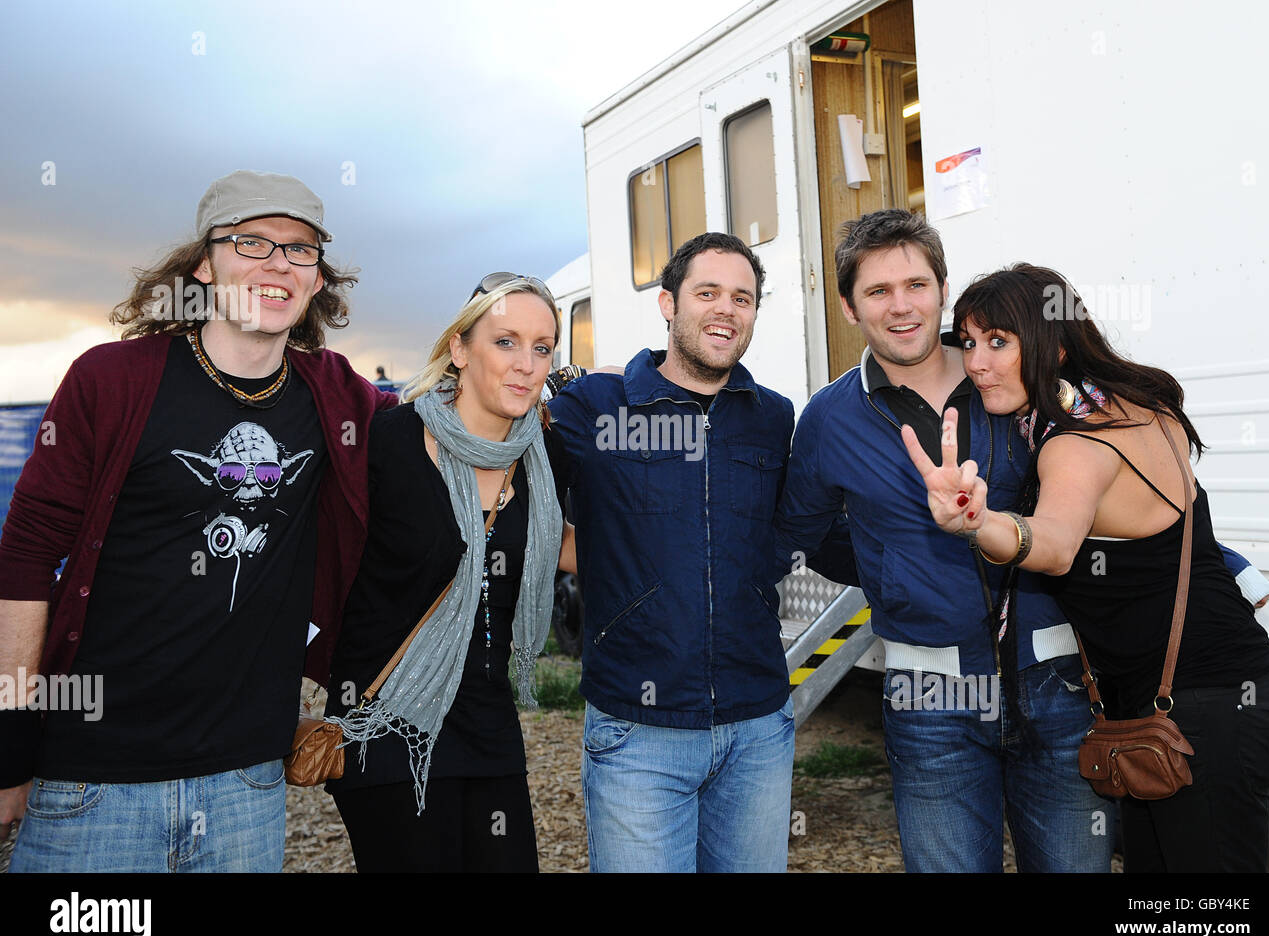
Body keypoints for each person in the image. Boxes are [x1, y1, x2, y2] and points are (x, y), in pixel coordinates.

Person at [0, 170, 395, 871]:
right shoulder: (112, 380)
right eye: (251, 242)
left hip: (246, 783)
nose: (278, 262)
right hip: (93, 781)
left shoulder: (337, 399)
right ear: (203, 267)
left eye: (301, 249)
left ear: (317, 280)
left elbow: (449, 429)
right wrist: (8, 741)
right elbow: (27, 556)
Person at [904, 263, 1269, 872]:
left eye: (999, 342)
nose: (976, 362)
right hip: (1204, 701)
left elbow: (1053, 543)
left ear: (1054, 344)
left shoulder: (1076, 444)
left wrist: (978, 522)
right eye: (969, 342)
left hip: (1200, 709)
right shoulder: (1141, 408)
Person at [775, 210, 1118, 872]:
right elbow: (805, 535)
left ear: (942, 289)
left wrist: (1225, 565)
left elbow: (1115, 473)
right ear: (849, 307)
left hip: (1055, 679)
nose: (901, 307)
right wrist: (895, 565)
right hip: (929, 695)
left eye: (917, 285)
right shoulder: (828, 419)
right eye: (877, 292)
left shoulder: (1015, 376)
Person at [546, 232, 799, 872]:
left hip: (758, 728)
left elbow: (799, 529)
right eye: (707, 292)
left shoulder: (773, 417)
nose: (726, 310)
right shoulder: (596, 407)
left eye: (743, 298)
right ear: (667, 303)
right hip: (638, 729)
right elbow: (513, 506)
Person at [322, 274, 570, 873]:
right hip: (387, 723)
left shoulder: (544, 456)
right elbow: (320, 556)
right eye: (506, 341)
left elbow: (565, 547)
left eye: (542, 347)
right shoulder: (389, 442)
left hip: (489, 723)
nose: (526, 364)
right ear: (460, 349)